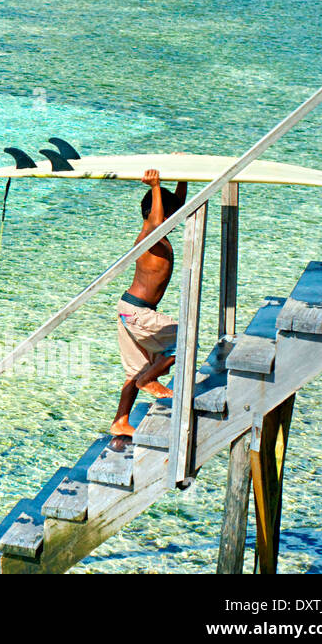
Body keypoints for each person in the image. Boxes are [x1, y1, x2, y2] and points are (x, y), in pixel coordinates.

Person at [110, 169, 188, 441]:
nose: (174, 220)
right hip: (137, 312)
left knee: (135, 370)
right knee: (186, 340)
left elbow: (174, 209)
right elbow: (157, 222)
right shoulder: (149, 236)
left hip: (129, 310)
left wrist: (183, 177)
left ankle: (120, 422)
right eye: (170, 216)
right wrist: (156, 186)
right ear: (159, 215)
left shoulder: (156, 232)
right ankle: (148, 381)